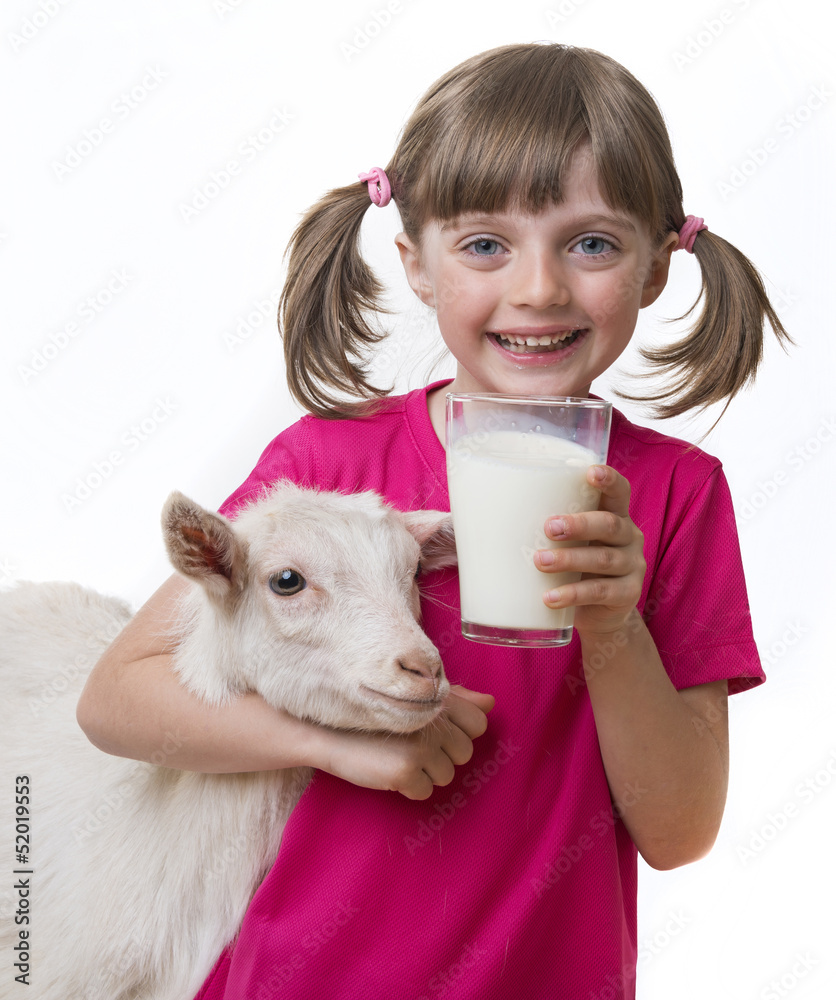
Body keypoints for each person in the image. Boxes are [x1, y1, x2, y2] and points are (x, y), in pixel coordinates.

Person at [77, 43, 790, 999]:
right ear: (415, 263)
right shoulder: (325, 465)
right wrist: (337, 746)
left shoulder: (675, 496)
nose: (539, 288)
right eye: (486, 244)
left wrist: (611, 626)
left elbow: (680, 831)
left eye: (591, 243)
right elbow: (115, 702)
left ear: (658, 266)